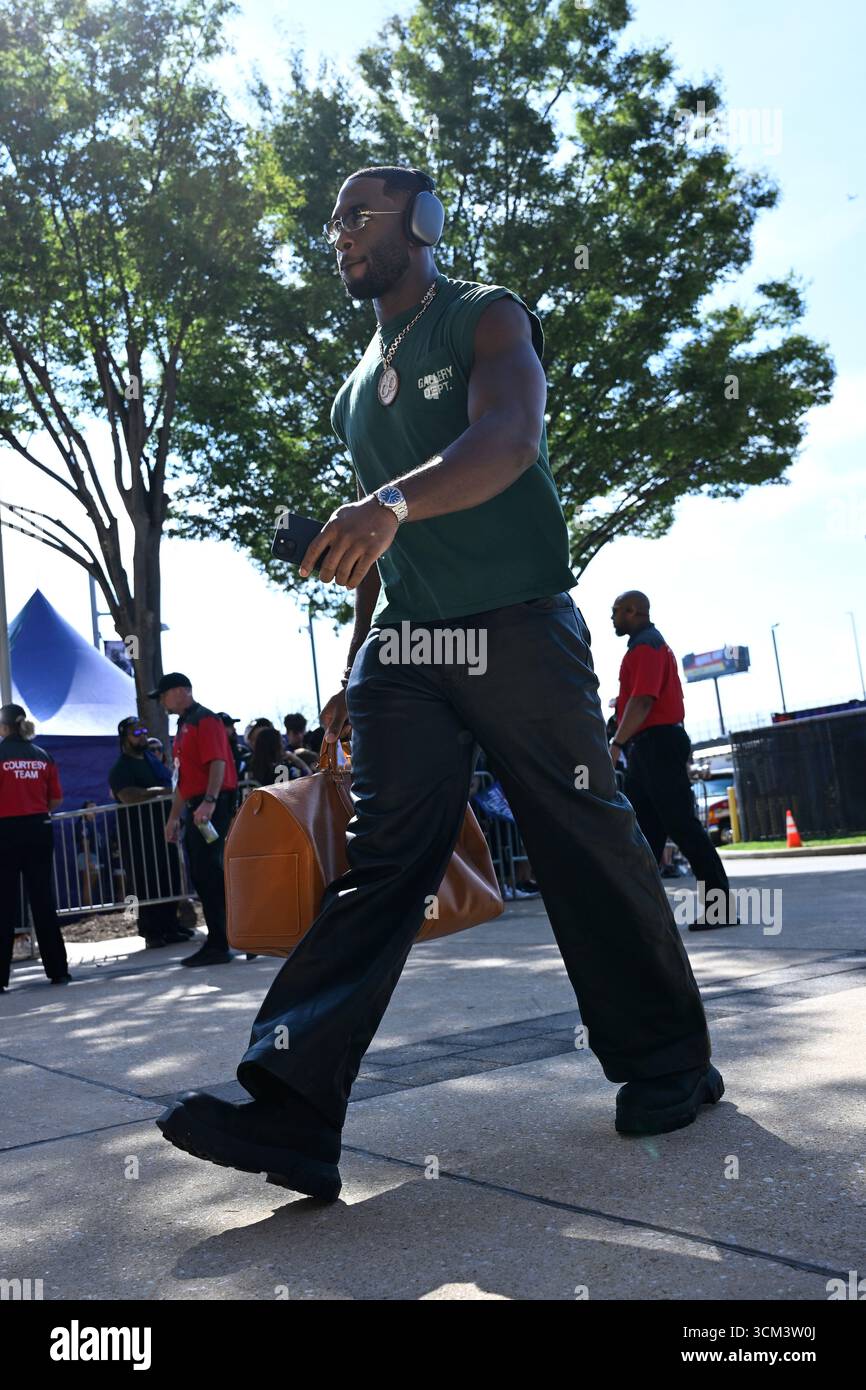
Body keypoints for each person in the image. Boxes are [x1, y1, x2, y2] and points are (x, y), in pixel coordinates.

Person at [158, 164, 721, 1200]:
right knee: (378, 865)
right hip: (408, 652)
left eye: (355, 214)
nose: (337, 233)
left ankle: (668, 1062)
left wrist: (387, 506)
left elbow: (505, 441)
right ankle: (290, 1106)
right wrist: (354, 648)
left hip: (516, 627)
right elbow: (383, 548)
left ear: (419, 222)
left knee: (583, 837)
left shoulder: (486, 317)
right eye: (330, 220)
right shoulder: (349, 389)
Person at [609, 591, 735, 927]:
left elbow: (644, 701)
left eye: (616, 611)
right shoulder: (645, 646)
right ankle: (641, 914)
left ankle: (719, 908)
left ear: (633, 611)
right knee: (644, 833)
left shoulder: (647, 646)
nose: (612, 618)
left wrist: (617, 743)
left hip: (657, 744)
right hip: (647, 746)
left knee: (681, 826)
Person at [153, 673, 237, 967]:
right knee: (204, 875)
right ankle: (222, 938)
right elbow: (182, 778)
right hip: (197, 807)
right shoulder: (183, 726)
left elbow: (217, 761)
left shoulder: (205, 719)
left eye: (162, 695)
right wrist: (174, 817)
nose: (161, 701)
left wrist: (210, 802)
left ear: (179, 692)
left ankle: (222, 941)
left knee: (212, 873)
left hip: (211, 806)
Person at [0, 703, 71, 990]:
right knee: (43, 901)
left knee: (4, 904)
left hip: (5, 831)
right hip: (40, 828)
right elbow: (55, 800)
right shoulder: (43, 755)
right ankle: (58, 971)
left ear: (4, 727)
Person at [108, 717, 191, 947]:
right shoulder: (121, 767)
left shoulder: (151, 760)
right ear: (125, 737)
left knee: (169, 875)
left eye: (144, 730)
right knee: (145, 881)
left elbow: (171, 784)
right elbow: (127, 795)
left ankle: (170, 926)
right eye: (136, 732)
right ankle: (151, 931)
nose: (142, 736)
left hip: (163, 830)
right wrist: (157, 792)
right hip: (138, 836)